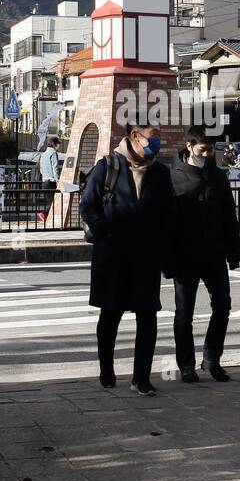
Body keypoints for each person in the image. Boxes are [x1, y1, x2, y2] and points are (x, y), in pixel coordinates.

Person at [80, 123, 174, 396]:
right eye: (152, 138)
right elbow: (87, 203)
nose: (156, 144)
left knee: (148, 316)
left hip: (146, 256)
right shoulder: (108, 166)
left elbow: (169, 213)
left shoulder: (159, 172)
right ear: (135, 136)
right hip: (113, 254)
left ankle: (141, 377)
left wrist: (166, 251)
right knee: (110, 313)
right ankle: (106, 369)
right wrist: (103, 230)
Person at [170, 126, 240, 383]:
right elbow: (167, 221)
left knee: (223, 306)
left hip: (214, 253)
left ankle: (212, 359)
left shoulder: (218, 177)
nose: (207, 154)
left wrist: (234, 250)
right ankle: (186, 365)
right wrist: (167, 259)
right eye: (203, 149)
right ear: (189, 146)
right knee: (183, 314)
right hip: (185, 256)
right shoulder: (173, 176)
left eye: (211, 150)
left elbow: (228, 216)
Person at [37, 136, 61, 223]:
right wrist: (57, 179)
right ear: (53, 144)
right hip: (51, 181)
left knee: (48, 200)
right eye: (57, 144)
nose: (58, 146)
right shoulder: (53, 153)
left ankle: (47, 217)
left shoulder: (43, 154)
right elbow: (55, 168)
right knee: (52, 201)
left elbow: (41, 169)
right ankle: (43, 214)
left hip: (44, 181)